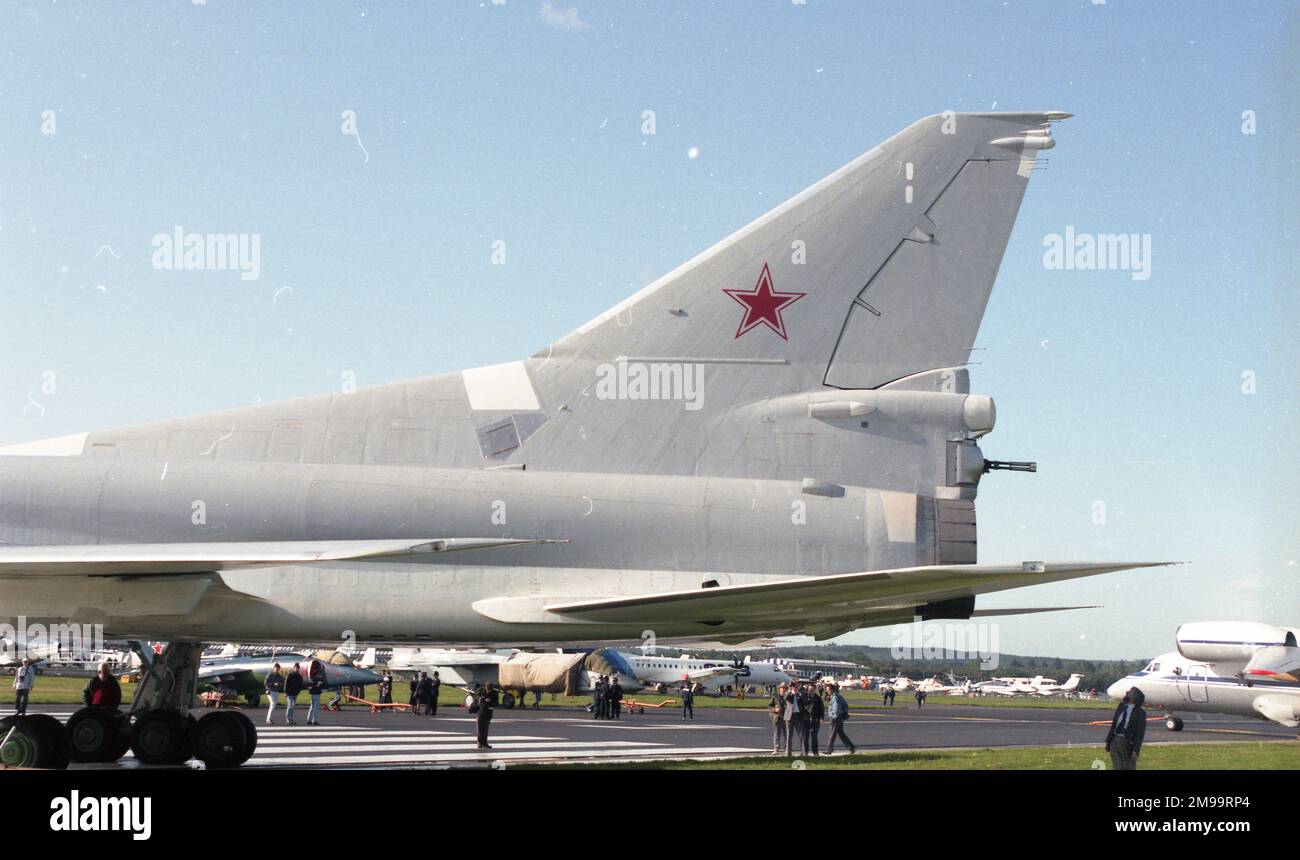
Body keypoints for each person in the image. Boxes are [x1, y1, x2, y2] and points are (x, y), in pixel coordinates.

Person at [1104, 687, 1147, 770]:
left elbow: (1140, 734)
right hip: (1115, 739)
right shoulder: (1121, 706)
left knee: (1129, 765)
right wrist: (1109, 741)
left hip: (1127, 741)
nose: (1127, 692)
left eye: (1130, 692)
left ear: (1135, 696)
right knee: (1117, 766)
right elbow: (1114, 724)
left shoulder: (1140, 713)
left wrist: (1136, 750)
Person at [825, 683, 856, 755]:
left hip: (836, 718)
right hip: (840, 717)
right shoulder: (838, 696)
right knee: (841, 734)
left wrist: (833, 716)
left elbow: (836, 709)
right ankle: (851, 747)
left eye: (828, 690)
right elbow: (845, 705)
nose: (827, 691)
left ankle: (829, 750)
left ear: (832, 690)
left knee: (832, 734)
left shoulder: (835, 697)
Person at [475, 682, 499, 749]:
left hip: (488, 713)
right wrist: (480, 699)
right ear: (485, 687)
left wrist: (490, 701)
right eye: (488, 689)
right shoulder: (481, 691)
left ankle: (485, 743)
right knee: (479, 729)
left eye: (490, 690)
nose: (488, 691)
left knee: (485, 729)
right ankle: (479, 743)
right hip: (480, 712)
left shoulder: (494, 693)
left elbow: (496, 703)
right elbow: (476, 696)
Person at [769, 683, 788, 755]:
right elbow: (769, 706)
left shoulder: (788, 696)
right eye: (782, 688)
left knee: (787, 735)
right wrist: (774, 710)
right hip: (777, 717)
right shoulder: (775, 697)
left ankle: (787, 749)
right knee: (777, 735)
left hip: (786, 718)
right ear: (779, 688)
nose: (783, 689)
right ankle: (776, 749)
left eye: (785, 688)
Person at [806, 683, 825, 756]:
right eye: (810, 689)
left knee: (814, 737)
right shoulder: (804, 696)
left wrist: (821, 717)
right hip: (806, 720)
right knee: (805, 737)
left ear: (815, 690)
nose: (811, 691)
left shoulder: (817, 698)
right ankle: (806, 752)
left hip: (815, 719)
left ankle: (815, 752)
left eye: (812, 689)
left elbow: (821, 708)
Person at [306, 659, 325, 726]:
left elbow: (309, 686)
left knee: (312, 707)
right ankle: (314, 720)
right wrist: (318, 684)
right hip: (316, 693)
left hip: (312, 693)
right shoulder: (317, 678)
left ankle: (308, 719)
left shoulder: (311, 678)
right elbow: (318, 683)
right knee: (316, 708)